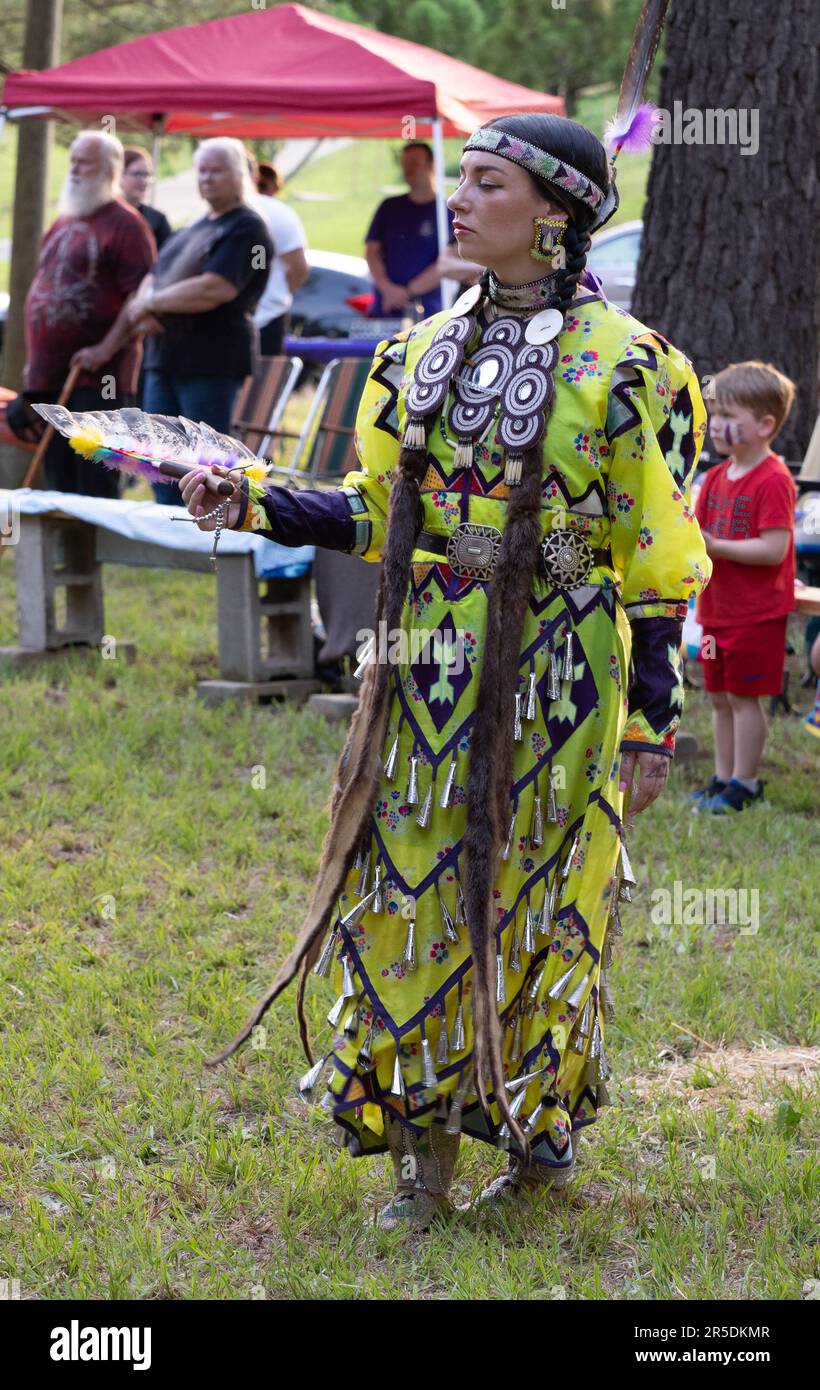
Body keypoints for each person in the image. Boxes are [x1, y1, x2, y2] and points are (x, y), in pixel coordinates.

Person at [179, 112, 711, 1231]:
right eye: (457, 180)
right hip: (431, 667)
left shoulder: (635, 369)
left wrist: (652, 723)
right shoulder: (413, 354)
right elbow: (384, 514)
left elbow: (655, 559)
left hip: (563, 663)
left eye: (485, 183)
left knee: (542, 889)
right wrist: (258, 495)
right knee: (409, 888)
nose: (457, 202)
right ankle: (419, 1163)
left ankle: (537, 1125)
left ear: (555, 212)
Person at [124, 137, 273, 504]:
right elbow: (153, 276)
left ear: (241, 174)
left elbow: (216, 288)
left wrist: (151, 304)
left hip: (211, 361)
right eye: (202, 169)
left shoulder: (248, 229)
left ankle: (202, 533)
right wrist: (142, 308)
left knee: (201, 457)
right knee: (159, 453)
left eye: (217, 169)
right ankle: (168, 531)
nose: (207, 178)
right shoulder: (190, 229)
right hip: (165, 358)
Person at [22, 130, 156, 497]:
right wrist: (34, 362)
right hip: (51, 375)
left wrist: (105, 349)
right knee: (58, 478)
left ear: (109, 170)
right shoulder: (63, 220)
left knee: (93, 477)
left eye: (85, 162)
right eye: (73, 161)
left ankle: (91, 553)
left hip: (98, 377)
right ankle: (65, 555)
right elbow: (42, 287)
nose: (75, 169)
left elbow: (139, 298)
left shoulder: (127, 225)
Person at [691, 362, 798, 812]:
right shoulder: (714, 477)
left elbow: (774, 550)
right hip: (716, 613)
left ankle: (746, 783)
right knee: (717, 695)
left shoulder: (773, 479)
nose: (716, 424)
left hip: (756, 616)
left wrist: (717, 546)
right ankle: (722, 776)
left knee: (744, 697)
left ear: (765, 425)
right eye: (714, 414)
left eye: (729, 416)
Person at [365, 142, 454, 318]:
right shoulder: (388, 207)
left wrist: (406, 292)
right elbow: (371, 253)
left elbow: (449, 259)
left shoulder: (448, 211)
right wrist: (388, 289)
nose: (408, 169)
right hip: (386, 307)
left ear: (431, 165)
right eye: (404, 164)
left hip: (430, 310)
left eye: (414, 163)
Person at [250, 160, 309, 357]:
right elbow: (299, 268)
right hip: (269, 314)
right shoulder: (280, 212)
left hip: (235, 316)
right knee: (265, 384)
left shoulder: (228, 209)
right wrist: (284, 290)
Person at [121, 147, 173, 252]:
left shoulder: (157, 220)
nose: (144, 181)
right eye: (137, 174)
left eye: (147, 175)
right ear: (119, 175)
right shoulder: (102, 215)